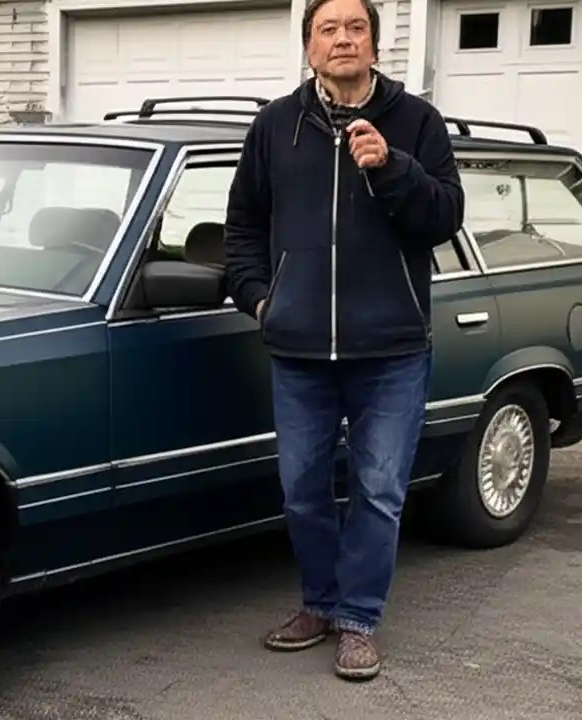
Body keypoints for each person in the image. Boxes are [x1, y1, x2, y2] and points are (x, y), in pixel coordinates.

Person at [222, 0, 465, 682]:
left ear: (375, 46)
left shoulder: (417, 122)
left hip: (391, 350)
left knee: (379, 489)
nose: (342, 40)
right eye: (328, 29)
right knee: (300, 490)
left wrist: (392, 168)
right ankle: (319, 604)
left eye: (356, 28)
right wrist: (262, 300)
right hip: (298, 349)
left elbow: (445, 216)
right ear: (308, 48)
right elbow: (242, 226)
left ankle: (358, 621)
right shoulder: (274, 126)